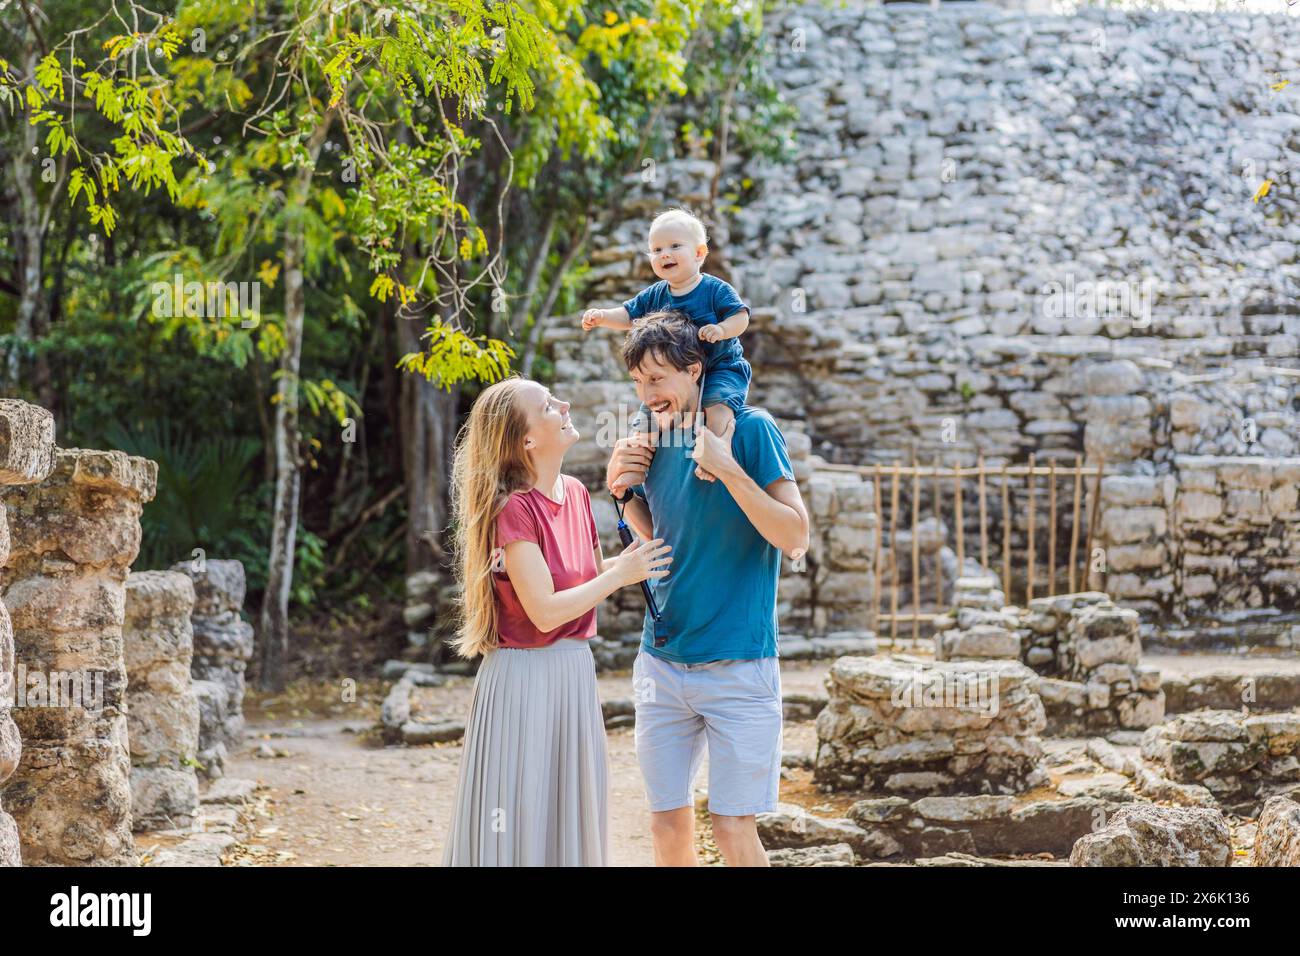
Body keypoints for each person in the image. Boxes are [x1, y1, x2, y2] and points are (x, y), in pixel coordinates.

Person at [603, 314, 810, 867]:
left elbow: (796, 535)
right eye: (638, 383)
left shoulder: (753, 430)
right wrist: (623, 495)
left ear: (695, 370)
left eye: (658, 379)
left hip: (739, 667)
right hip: (661, 666)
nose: (648, 394)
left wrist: (729, 469)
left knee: (731, 830)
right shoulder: (650, 441)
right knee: (667, 827)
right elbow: (665, 541)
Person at [441, 376, 673, 866]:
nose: (563, 404)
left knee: (565, 812)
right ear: (526, 440)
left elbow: (587, 577)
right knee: (521, 811)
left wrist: (640, 560)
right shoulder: (513, 510)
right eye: (548, 405)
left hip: (572, 672)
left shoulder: (574, 493)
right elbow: (544, 610)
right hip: (524, 680)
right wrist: (620, 575)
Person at [581, 207, 752, 490]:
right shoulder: (656, 294)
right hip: (672, 378)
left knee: (718, 408)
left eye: (674, 246)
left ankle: (718, 454)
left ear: (699, 253)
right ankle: (638, 463)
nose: (664, 254)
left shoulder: (714, 289)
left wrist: (722, 329)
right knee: (646, 417)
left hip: (719, 367)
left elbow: (740, 317)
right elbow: (628, 314)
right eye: (656, 249)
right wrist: (602, 317)